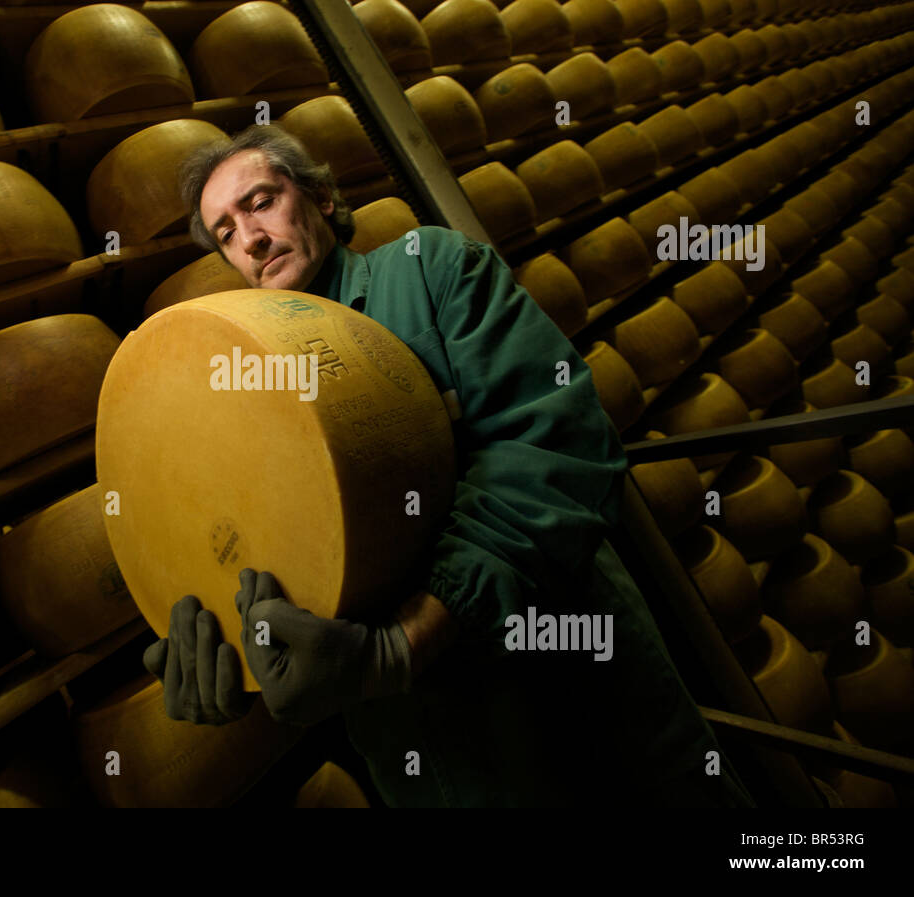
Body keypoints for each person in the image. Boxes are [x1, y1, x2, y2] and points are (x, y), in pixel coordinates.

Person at [140, 124, 754, 807]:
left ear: (318, 194)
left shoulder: (429, 271)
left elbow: (559, 446)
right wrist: (236, 650)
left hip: (572, 698)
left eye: (259, 202)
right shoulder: (245, 390)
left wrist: (406, 643)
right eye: (224, 232)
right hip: (436, 762)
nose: (249, 239)